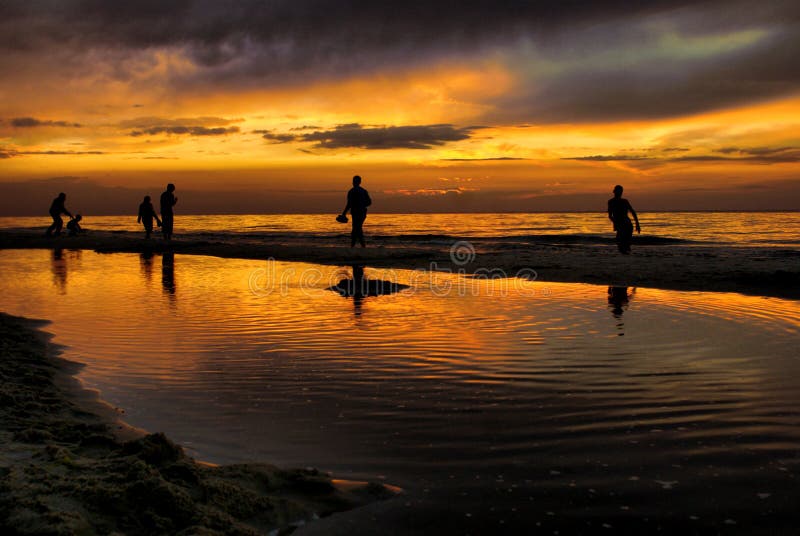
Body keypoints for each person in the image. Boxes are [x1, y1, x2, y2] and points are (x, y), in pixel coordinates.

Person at [340, 175, 371, 248]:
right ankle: (359, 247)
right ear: (360, 182)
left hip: (357, 213)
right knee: (357, 228)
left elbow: (349, 204)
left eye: (354, 181)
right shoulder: (363, 191)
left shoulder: (352, 191)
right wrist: (362, 204)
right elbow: (369, 202)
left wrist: (344, 213)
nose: (354, 182)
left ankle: (357, 247)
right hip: (362, 213)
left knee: (356, 228)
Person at [607, 184, 640, 254]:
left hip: (627, 225)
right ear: (614, 192)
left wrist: (637, 224)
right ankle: (627, 257)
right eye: (618, 192)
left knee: (625, 244)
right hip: (621, 225)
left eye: (620, 192)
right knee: (621, 244)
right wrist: (616, 223)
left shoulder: (624, 201)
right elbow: (610, 216)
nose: (619, 193)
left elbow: (632, 212)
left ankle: (627, 256)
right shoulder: (611, 202)